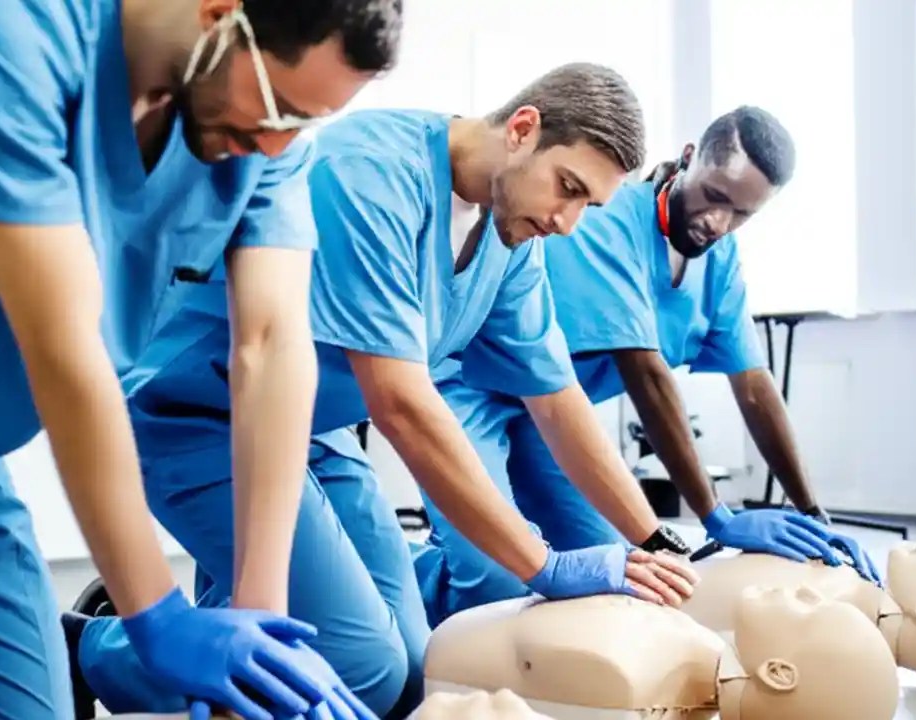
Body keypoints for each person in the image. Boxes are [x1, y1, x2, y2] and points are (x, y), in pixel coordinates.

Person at [0, 0, 402, 718]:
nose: (280, 145)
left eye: (306, 123)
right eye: (280, 109)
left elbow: (273, 347)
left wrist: (263, 618)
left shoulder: (259, 142)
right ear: (220, 14)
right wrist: (158, 613)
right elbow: (64, 346)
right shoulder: (4, 28)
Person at [69, 61, 699, 720]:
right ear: (522, 128)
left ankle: (222, 637)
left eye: (587, 206)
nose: (567, 222)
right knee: (358, 665)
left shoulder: (509, 235)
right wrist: (544, 565)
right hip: (196, 418)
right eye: (567, 188)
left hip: (311, 429)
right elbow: (400, 404)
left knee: (411, 674)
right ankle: (94, 646)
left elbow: (556, 398)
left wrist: (659, 544)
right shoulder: (373, 174)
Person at [412, 106, 880, 628]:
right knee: (495, 580)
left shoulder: (718, 257)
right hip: (469, 388)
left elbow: (753, 386)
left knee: (623, 575)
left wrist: (814, 516)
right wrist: (714, 516)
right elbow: (647, 377)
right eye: (715, 197)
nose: (717, 222)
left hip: (554, 417)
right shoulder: (612, 215)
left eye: (740, 214)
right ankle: (408, 568)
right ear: (687, 161)